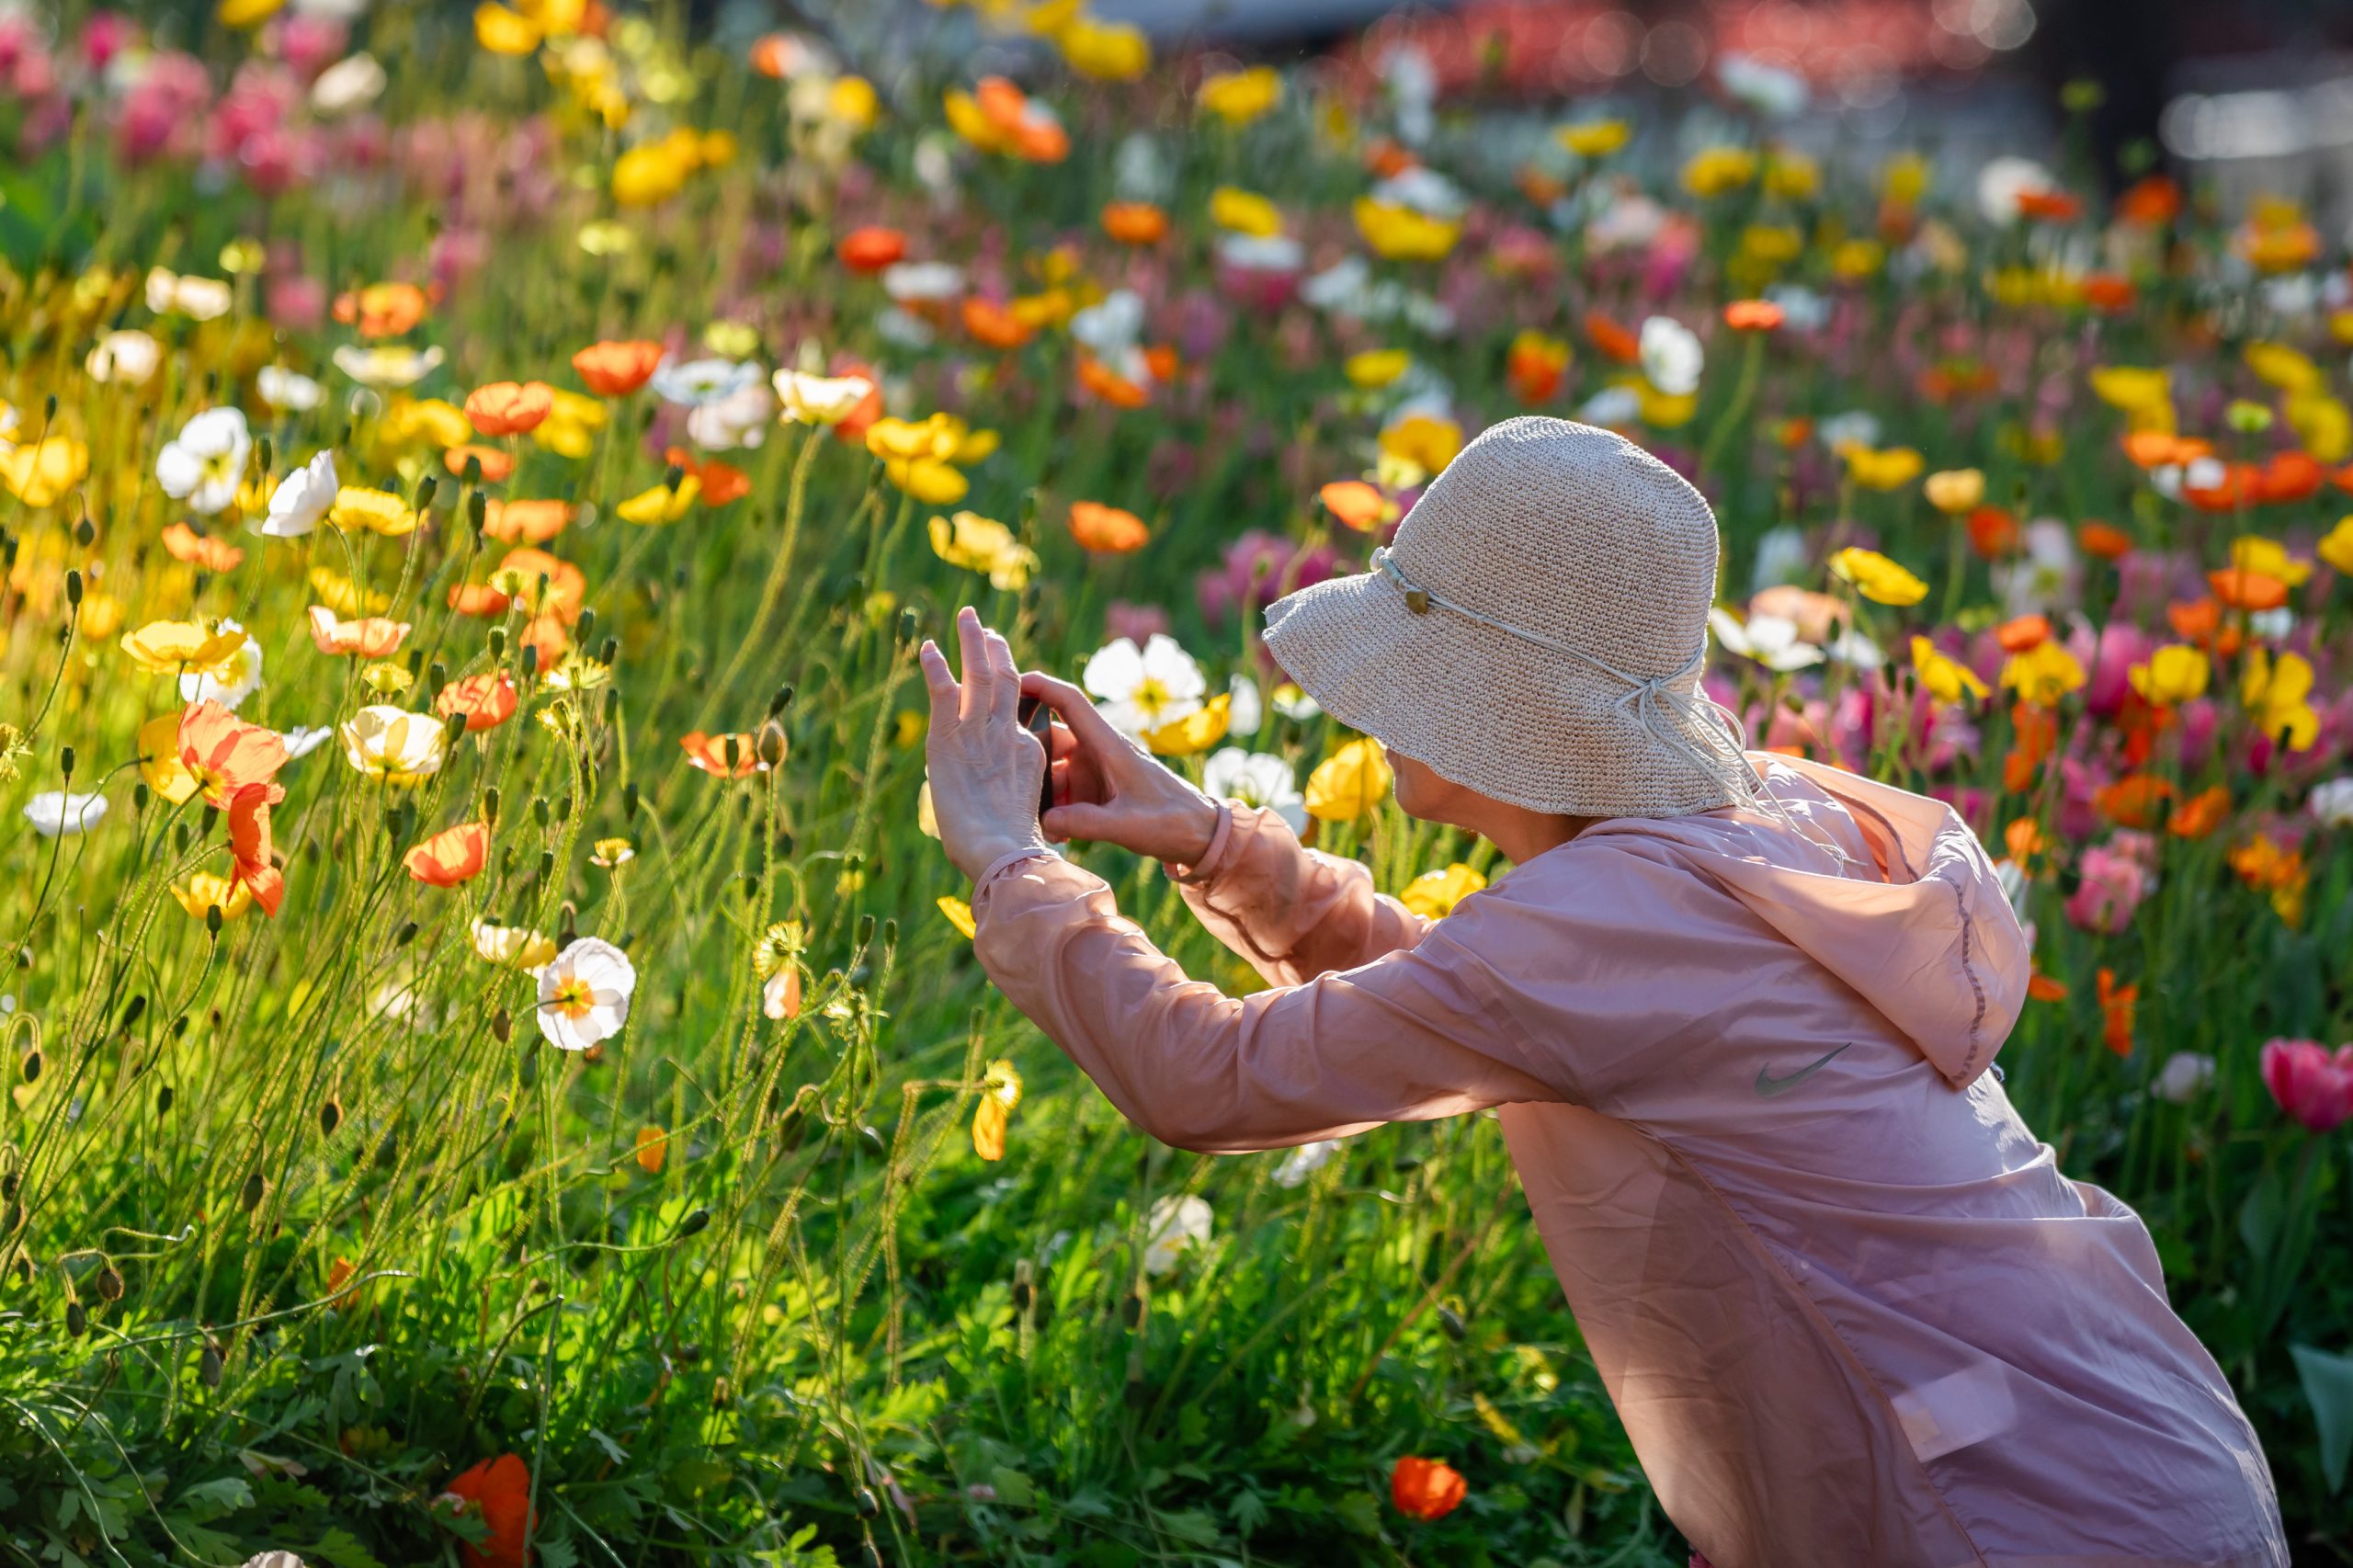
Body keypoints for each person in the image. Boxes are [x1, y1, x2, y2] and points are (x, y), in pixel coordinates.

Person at [915, 417, 2287, 1567]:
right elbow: (1471, 996)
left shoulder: (1600, 922)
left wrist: (1007, 858)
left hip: (2013, 1520)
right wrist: (1208, 839)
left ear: (1498, 704)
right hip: (2135, 1460)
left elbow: (1201, 1078)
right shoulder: (1761, 827)